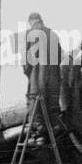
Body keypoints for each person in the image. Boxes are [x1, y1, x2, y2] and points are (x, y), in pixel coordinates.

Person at [23, 12, 63, 141]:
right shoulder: (53, 34)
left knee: (35, 102)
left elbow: (26, 59)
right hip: (53, 76)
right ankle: (54, 130)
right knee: (52, 103)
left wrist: (29, 73)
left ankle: (39, 132)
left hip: (37, 75)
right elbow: (59, 56)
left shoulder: (30, 35)